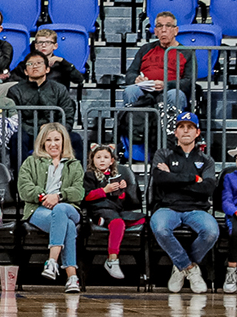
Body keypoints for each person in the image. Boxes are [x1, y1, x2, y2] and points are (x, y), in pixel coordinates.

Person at [149, 112, 219, 294]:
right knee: (160, 228)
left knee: (211, 231)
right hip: (167, 207)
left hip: (196, 208)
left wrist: (173, 179)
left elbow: (208, 188)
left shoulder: (206, 160)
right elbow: (159, 178)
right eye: (182, 127)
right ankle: (189, 268)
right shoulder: (163, 154)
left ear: (197, 132)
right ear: (176, 132)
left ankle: (179, 266)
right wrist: (192, 179)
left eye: (190, 127)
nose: (186, 131)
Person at [18, 122, 85, 293]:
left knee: (61, 209)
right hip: (38, 209)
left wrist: (59, 197)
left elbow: (79, 192)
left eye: (57, 139)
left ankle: (52, 262)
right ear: (42, 142)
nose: (53, 144)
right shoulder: (31, 162)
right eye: (48, 140)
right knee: (68, 226)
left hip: (69, 207)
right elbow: (24, 189)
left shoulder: (74, 164)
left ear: (64, 142)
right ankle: (72, 278)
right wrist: (44, 197)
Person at [82, 143, 143, 282]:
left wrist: (122, 190)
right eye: (98, 157)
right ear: (92, 160)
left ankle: (105, 223)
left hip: (116, 209)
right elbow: (86, 196)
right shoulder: (90, 175)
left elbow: (125, 201)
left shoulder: (117, 175)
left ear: (112, 160)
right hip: (99, 209)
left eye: (105, 157)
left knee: (142, 220)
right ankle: (112, 260)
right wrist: (105, 190)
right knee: (118, 223)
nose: (102, 160)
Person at [5, 51, 79, 146]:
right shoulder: (15, 91)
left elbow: (67, 115)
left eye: (39, 63)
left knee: (75, 139)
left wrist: (53, 130)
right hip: (28, 133)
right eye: (30, 64)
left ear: (47, 69)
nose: (34, 66)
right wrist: (35, 130)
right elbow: (13, 119)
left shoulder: (59, 89)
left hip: (54, 132)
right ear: (25, 71)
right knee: (18, 139)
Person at [126, 12, 193, 113]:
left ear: (176, 30)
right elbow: (130, 73)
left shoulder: (186, 53)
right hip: (146, 91)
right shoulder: (145, 49)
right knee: (130, 90)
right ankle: (133, 127)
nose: (164, 30)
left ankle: (169, 128)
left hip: (171, 90)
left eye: (168, 26)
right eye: (159, 26)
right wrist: (136, 79)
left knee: (174, 95)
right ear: (156, 31)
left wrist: (166, 85)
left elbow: (189, 81)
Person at [15, 27, 80, 89]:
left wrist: (62, 61)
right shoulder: (26, 64)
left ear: (55, 46)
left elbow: (79, 79)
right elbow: (13, 82)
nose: (43, 45)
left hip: (56, 99)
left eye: (48, 42)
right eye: (40, 42)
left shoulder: (62, 65)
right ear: (36, 46)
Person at [221, 160, 237, 293]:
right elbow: (226, 199)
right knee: (235, 232)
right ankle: (232, 269)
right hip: (235, 213)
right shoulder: (229, 177)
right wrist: (235, 211)